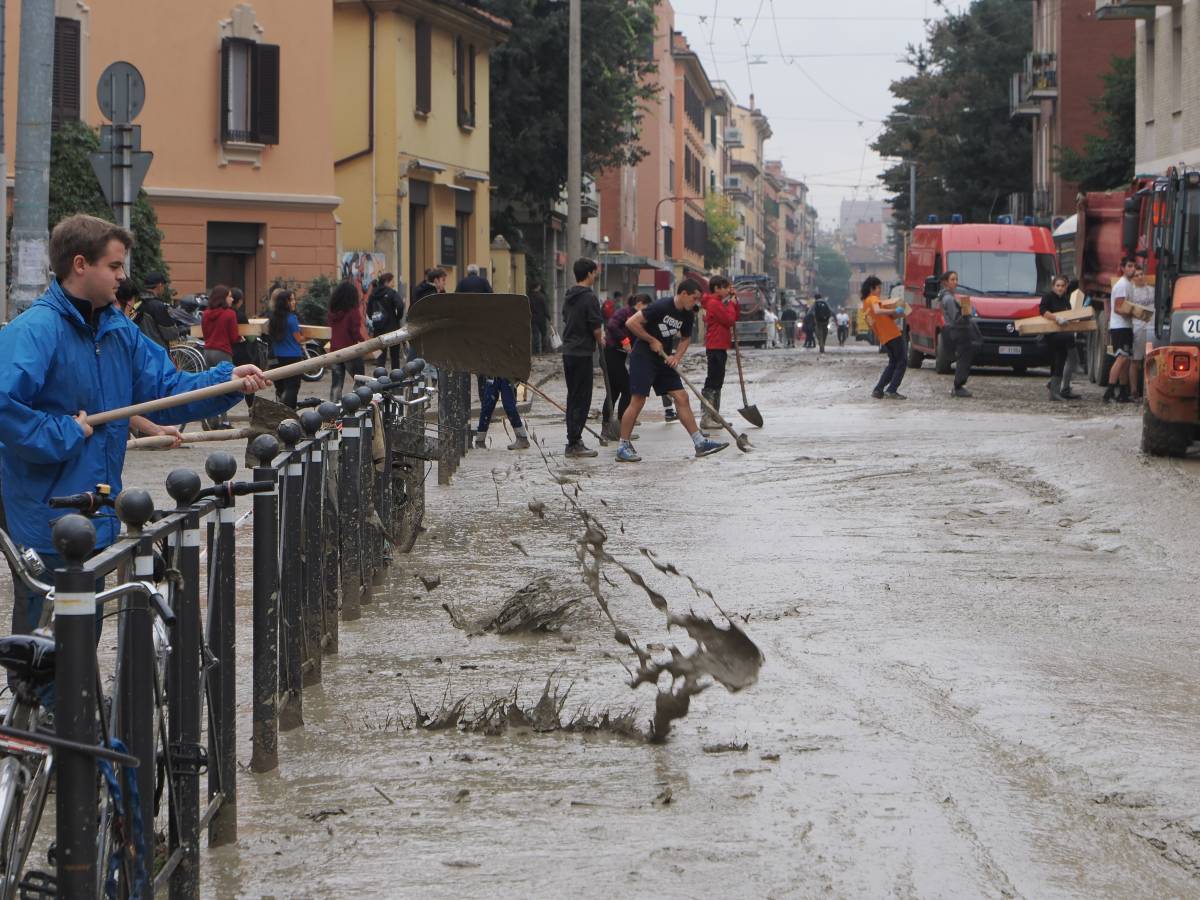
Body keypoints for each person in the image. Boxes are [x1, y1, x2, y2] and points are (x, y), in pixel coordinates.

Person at [0, 214, 268, 633]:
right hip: (47, 515)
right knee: (45, 644)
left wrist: (225, 383)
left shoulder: (117, 329)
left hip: (98, 507)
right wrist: (64, 432)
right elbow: (4, 406)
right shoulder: (35, 329)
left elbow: (165, 390)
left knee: (82, 636)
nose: (122, 277)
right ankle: (47, 700)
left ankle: (75, 700)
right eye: (114, 266)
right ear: (80, 264)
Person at [615, 280, 728, 462]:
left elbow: (685, 339)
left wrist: (677, 357)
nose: (696, 302)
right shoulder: (661, 306)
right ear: (683, 294)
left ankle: (699, 442)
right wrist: (651, 340)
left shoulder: (688, 315)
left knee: (682, 396)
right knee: (638, 400)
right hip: (644, 356)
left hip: (664, 358)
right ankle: (623, 446)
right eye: (694, 298)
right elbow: (631, 323)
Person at [560, 258, 603, 458]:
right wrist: (602, 341)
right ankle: (574, 443)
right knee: (582, 397)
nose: (596, 276)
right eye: (594, 272)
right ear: (589, 274)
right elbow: (596, 327)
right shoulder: (589, 297)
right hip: (582, 352)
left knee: (573, 396)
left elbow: (565, 318)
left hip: (568, 351)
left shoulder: (569, 295)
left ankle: (573, 438)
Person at [602, 294, 648, 435]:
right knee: (628, 390)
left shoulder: (639, 318)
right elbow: (611, 325)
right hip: (611, 353)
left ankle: (609, 428)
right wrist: (624, 340)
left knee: (614, 392)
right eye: (646, 307)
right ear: (639, 303)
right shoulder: (625, 312)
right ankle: (622, 427)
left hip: (619, 356)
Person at [700, 276, 738, 430]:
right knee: (713, 382)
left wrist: (733, 302)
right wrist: (731, 305)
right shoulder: (713, 303)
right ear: (716, 288)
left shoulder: (717, 302)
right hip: (715, 346)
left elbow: (734, 316)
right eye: (724, 287)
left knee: (718, 381)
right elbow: (729, 320)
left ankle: (715, 416)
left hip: (720, 345)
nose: (726, 290)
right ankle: (707, 417)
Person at [863, 276, 907, 399]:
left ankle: (878, 389)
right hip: (892, 334)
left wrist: (895, 314)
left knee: (893, 363)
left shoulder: (865, 304)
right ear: (872, 288)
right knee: (902, 362)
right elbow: (877, 311)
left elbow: (874, 321)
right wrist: (894, 310)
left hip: (884, 337)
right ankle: (892, 390)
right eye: (879, 288)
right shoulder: (873, 299)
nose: (880, 290)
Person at [939, 270, 982, 397]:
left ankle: (959, 385)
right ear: (946, 282)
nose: (955, 282)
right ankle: (958, 385)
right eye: (952, 280)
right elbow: (955, 318)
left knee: (964, 357)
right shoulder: (948, 299)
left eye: (956, 279)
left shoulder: (948, 297)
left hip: (957, 330)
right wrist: (966, 313)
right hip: (958, 331)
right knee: (964, 358)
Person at [328, 279, 369, 401]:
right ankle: (358, 404)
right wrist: (365, 342)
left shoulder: (332, 312)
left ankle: (333, 408)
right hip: (350, 351)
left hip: (335, 351)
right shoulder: (353, 312)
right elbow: (355, 332)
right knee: (360, 380)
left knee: (336, 383)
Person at [1104, 258, 1137, 403]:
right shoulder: (1122, 285)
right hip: (1120, 326)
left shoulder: (1129, 284)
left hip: (1126, 326)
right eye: (1129, 266)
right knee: (1121, 358)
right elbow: (1118, 308)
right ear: (1123, 268)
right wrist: (1134, 313)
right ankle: (1109, 390)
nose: (1133, 269)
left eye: (1134, 267)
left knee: (1126, 360)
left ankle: (1123, 392)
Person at [1039, 274, 1075, 402]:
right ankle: (1054, 391)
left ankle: (1054, 388)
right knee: (1059, 356)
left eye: (1062, 286)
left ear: (1066, 288)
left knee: (1060, 360)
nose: (1060, 288)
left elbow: (1069, 314)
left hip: (1061, 333)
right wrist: (1056, 318)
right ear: (1053, 286)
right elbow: (1042, 310)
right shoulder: (1048, 297)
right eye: (1057, 286)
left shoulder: (1065, 300)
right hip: (1051, 334)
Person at [269, 289, 306, 407]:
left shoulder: (273, 318)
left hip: (276, 357)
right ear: (285, 302)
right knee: (292, 386)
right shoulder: (292, 318)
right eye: (291, 300)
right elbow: (298, 339)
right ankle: (289, 413)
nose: (294, 302)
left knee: (280, 387)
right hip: (292, 356)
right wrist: (307, 336)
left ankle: (279, 409)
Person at [473, 377, 530, 450]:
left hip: (507, 375)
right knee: (486, 407)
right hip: (492, 374)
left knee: (509, 406)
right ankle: (480, 441)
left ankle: (522, 438)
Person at [367, 272, 406, 369]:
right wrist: (398, 317)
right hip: (392, 328)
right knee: (395, 357)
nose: (393, 284)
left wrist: (375, 319)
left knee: (380, 356)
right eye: (392, 281)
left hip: (378, 329)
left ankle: (379, 379)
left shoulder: (373, 294)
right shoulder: (392, 293)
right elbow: (400, 306)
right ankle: (395, 379)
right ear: (386, 282)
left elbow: (368, 310)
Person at [127, 273, 177, 348]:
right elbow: (171, 334)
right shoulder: (157, 306)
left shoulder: (136, 302)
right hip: (156, 352)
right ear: (159, 285)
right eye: (163, 286)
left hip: (139, 350)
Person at [1129, 264, 1154, 401]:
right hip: (1137, 328)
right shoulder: (1131, 292)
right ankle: (1133, 391)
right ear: (1133, 278)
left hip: (1151, 328)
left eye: (1141, 274)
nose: (1139, 277)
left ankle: (1148, 391)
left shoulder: (1152, 290)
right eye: (1136, 275)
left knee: (1149, 360)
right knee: (1135, 361)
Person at [529, 283, 550, 354]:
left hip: (533, 318)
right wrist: (549, 317)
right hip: (541, 318)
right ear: (538, 287)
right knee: (544, 334)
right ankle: (544, 350)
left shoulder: (529, 297)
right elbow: (545, 308)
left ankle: (536, 351)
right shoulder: (541, 297)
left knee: (535, 335)